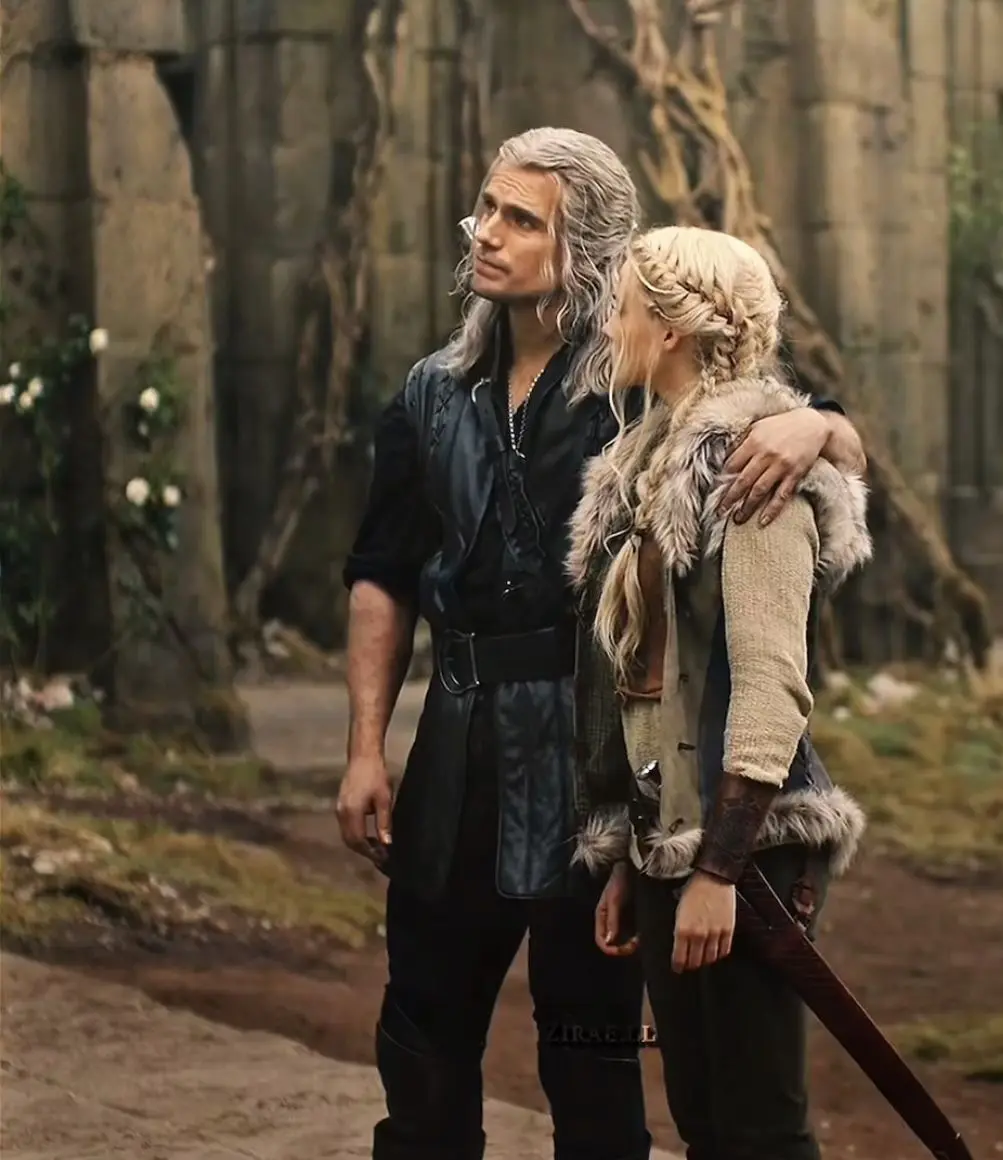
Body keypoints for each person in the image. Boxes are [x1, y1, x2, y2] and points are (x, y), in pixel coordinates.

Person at [337, 127, 867, 1160]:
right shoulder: (430, 393)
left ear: (583, 248)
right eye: (485, 210)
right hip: (455, 742)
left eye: (519, 219)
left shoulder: (641, 372)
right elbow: (381, 569)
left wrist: (817, 429)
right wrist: (365, 747)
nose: (485, 234)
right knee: (421, 1029)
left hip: (596, 757)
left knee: (589, 1049)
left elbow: (786, 417)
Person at [569, 224, 872, 1160]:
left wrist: (718, 873)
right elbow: (649, 691)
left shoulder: (749, 470)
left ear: (669, 329)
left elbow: (771, 686)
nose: (607, 325)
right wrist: (634, 858)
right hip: (674, 839)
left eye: (623, 308)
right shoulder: (648, 462)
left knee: (760, 1132)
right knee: (704, 1124)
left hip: (748, 849)